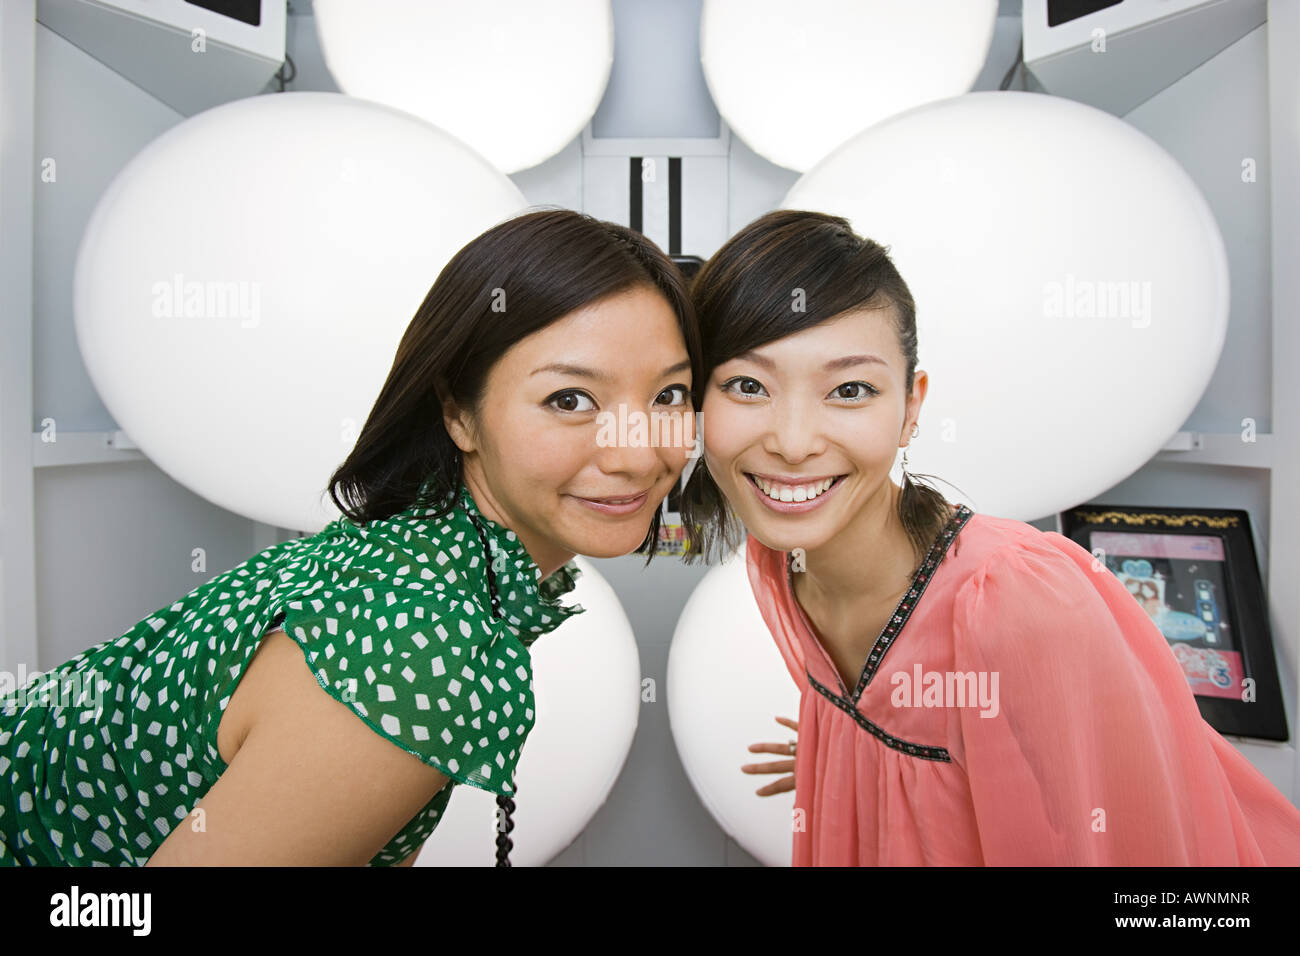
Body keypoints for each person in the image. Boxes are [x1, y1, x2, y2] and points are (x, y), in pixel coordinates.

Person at [0, 207, 702, 866]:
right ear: (458, 414)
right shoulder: (420, 647)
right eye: (569, 400)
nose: (636, 454)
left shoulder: (423, 546)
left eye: (669, 396)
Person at [680, 208, 1300, 865]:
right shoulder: (778, 558)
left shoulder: (1018, 602)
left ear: (911, 408)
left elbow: (1129, 841)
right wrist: (851, 744)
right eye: (747, 386)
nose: (793, 442)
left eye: (851, 390)